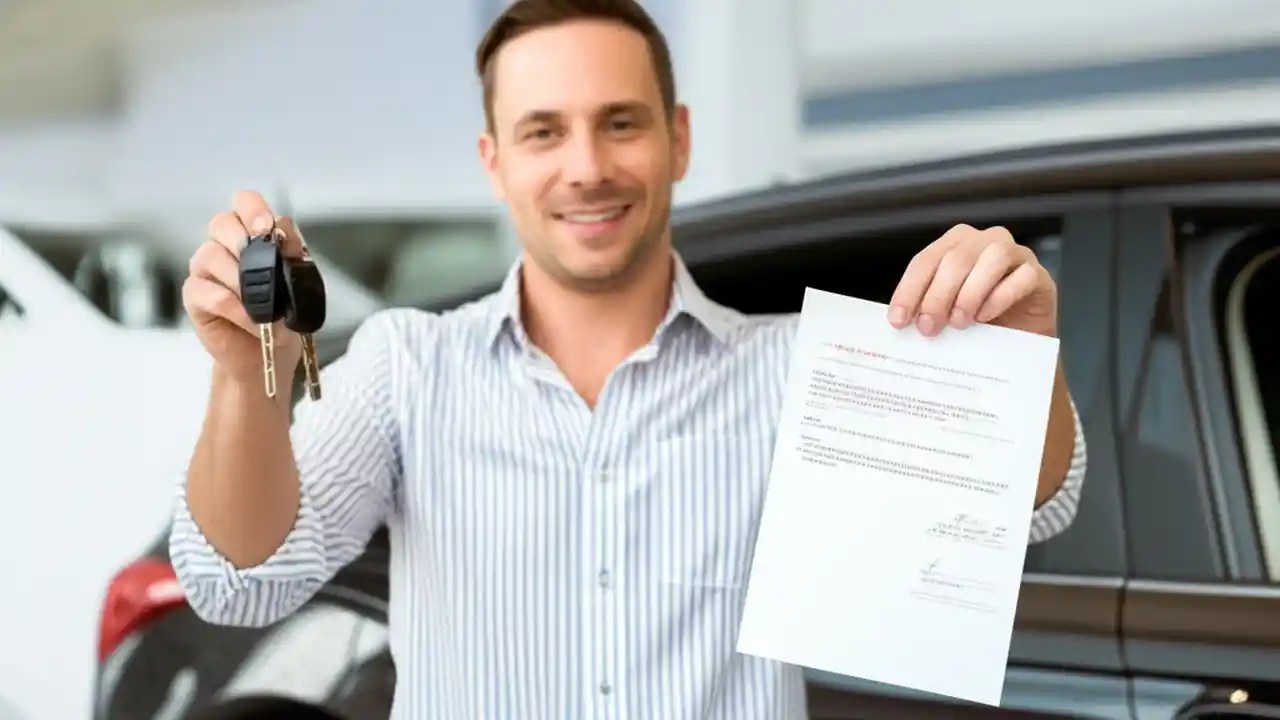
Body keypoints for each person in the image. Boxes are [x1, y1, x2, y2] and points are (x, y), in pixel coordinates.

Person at [171, 0, 1087, 718]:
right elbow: (238, 582)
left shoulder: (793, 373)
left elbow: (1033, 511)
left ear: (677, 139)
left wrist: (1021, 360)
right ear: (495, 161)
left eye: (620, 123)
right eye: (544, 131)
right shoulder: (405, 368)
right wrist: (245, 377)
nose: (586, 167)